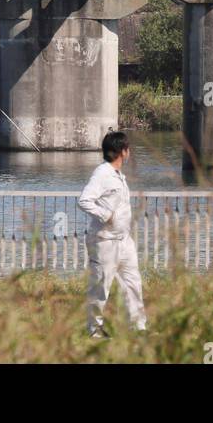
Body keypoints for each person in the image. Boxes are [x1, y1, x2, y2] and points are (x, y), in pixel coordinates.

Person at [77, 131, 147, 337]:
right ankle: (94, 330)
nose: (129, 152)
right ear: (122, 152)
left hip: (124, 240)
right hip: (105, 241)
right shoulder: (102, 174)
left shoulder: (118, 175)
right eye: (128, 148)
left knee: (133, 284)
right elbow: (84, 200)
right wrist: (105, 215)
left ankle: (139, 328)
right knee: (101, 287)